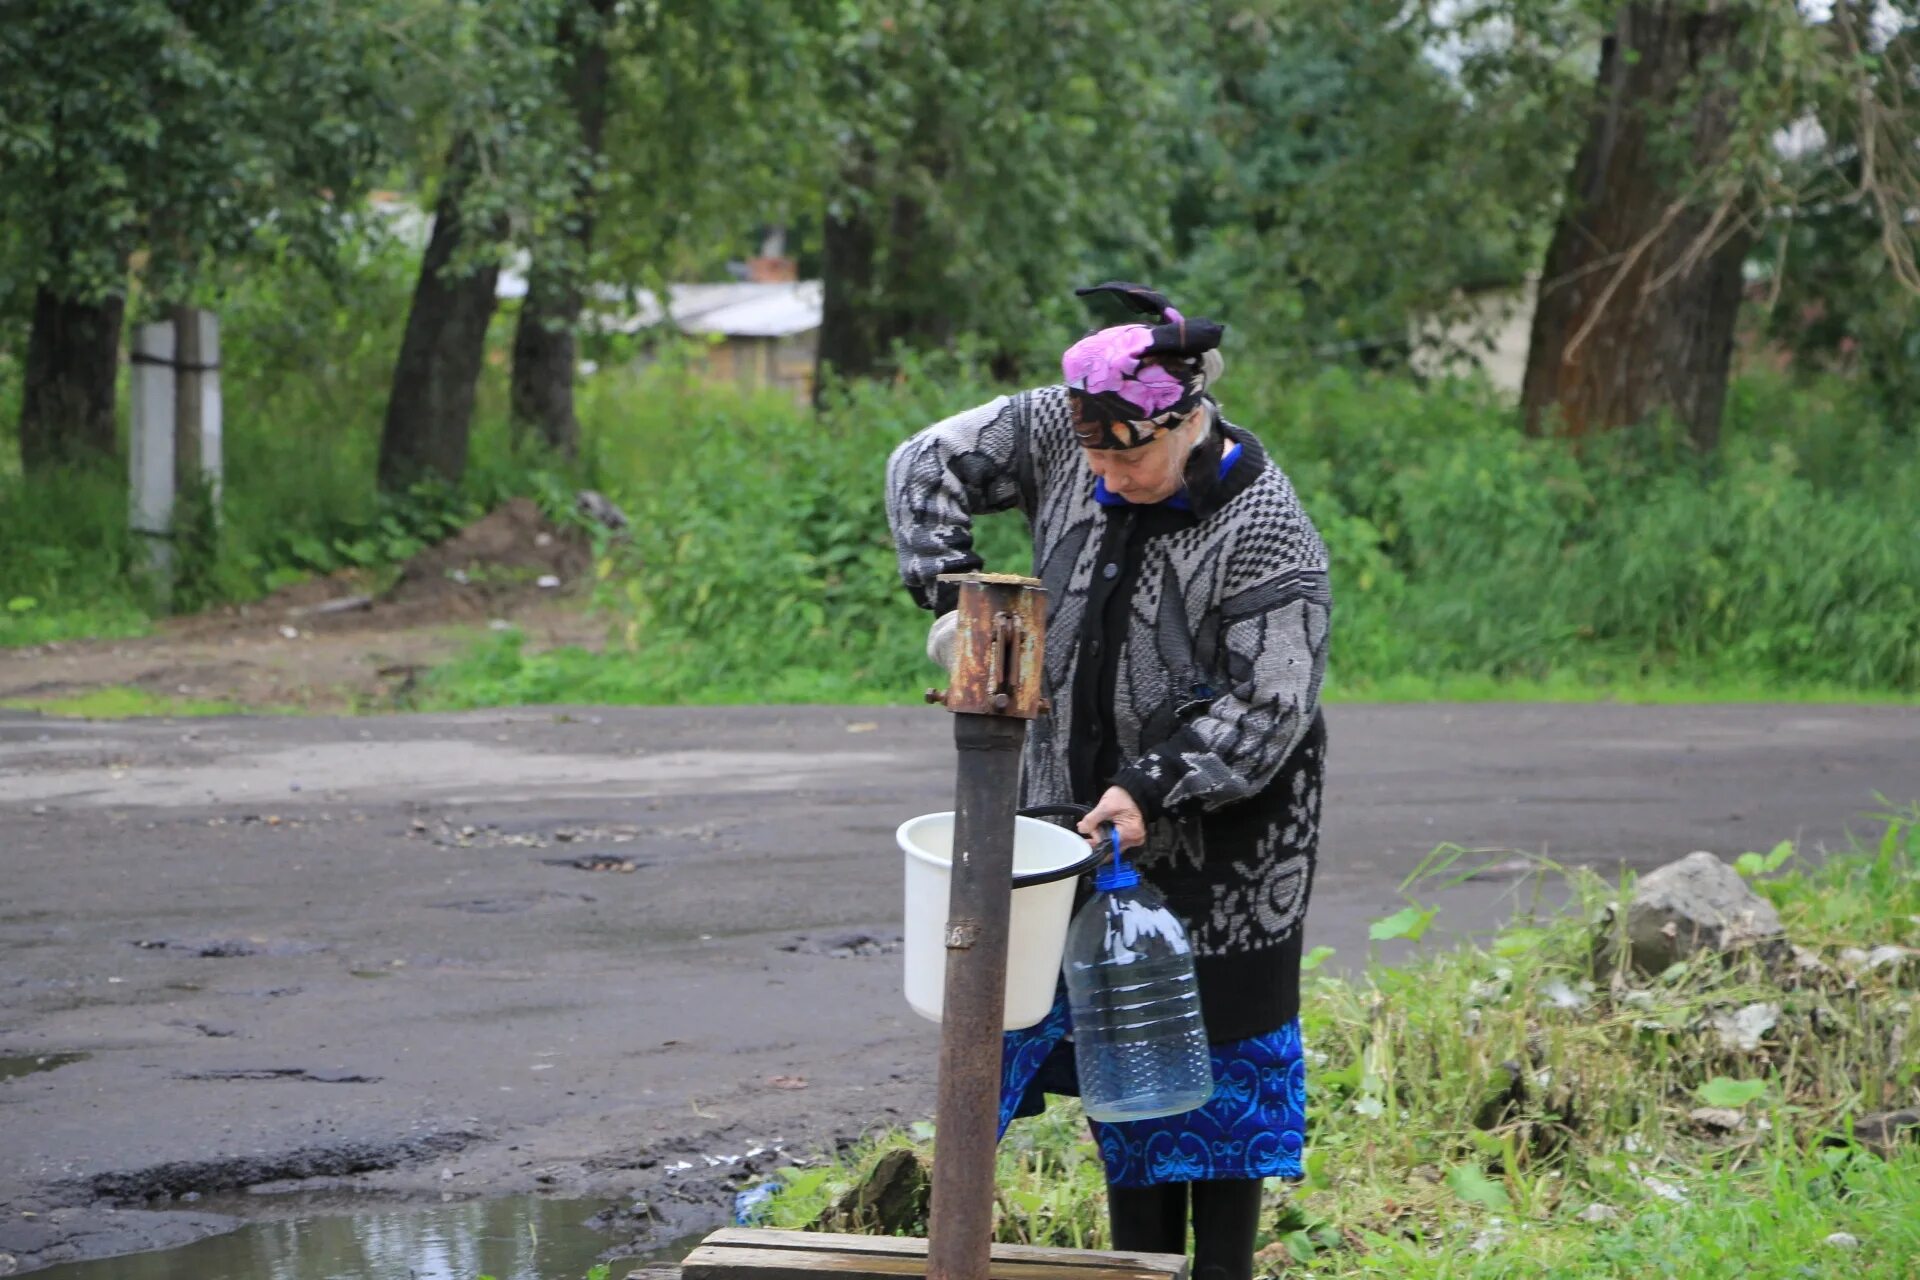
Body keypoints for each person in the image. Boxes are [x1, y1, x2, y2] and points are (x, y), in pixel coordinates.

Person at [885, 282, 1329, 1280]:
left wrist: (1154, 784)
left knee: (1212, 1064)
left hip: (1229, 842)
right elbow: (922, 463)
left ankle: (1219, 1270)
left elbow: (1275, 700)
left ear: (1189, 415)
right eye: (1095, 450)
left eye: (1131, 452)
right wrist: (962, 591)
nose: (1107, 470)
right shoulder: (1061, 426)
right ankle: (1138, 1266)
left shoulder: (1265, 523)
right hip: (1072, 817)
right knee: (1116, 1052)